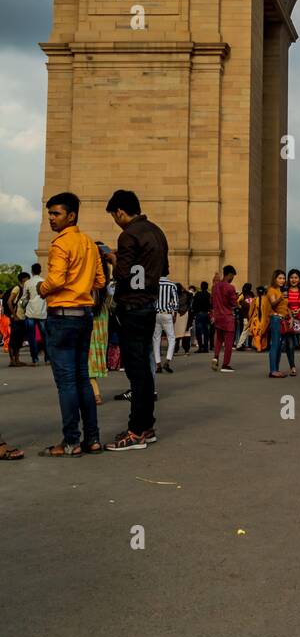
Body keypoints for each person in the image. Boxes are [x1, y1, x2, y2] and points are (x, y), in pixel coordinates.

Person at [37, 192, 105, 456]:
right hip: (84, 315)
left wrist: (42, 289)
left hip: (62, 316)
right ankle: (93, 439)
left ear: (71, 215)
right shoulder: (89, 243)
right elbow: (100, 281)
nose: (51, 219)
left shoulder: (60, 244)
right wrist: (82, 284)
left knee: (66, 382)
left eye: (56, 213)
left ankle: (71, 442)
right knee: (82, 380)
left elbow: (55, 280)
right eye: (50, 214)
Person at [103, 190, 168, 451]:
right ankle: (146, 426)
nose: (116, 221)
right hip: (149, 306)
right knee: (145, 369)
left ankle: (136, 431)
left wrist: (112, 257)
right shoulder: (157, 232)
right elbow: (163, 270)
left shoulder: (128, 234)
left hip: (131, 308)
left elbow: (122, 273)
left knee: (136, 372)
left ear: (120, 211)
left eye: (114, 216)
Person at [211, 266, 238, 372]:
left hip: (218, 316)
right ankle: (225, 365)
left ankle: (215, 357)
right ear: (230, 274)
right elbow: (233, 303)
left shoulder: (215, 287)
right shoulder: (230, 287)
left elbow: (212, 301)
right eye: (233, 276)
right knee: (228, 343)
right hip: (227, 317)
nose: (233, 278)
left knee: (218, 339)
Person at [88, 282, 111, 406]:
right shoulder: (103, 301)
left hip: (87, 335)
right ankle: (95, 394)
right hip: (99, 337)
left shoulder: (87, 293)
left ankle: (95, 395)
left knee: (86, 366)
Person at [24, 262, 49, 365]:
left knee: (32, 337)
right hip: (42, 312)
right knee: (45, 337)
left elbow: (24, 298)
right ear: (40, 271)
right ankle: (48, 359)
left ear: (32, 271)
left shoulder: (27, 283)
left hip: (30, 312)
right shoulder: (44, 282)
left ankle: (35, 360)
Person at [153, 275, 178, 374]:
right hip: (167, 314)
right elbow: (176, 303)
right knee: (171, 338)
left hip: (156, 314)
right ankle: (167, 361)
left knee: (156, 339)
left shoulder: (155, 285)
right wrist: (174, 315)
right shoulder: (172, 285)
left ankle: (158, 364)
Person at [267, 269, 289, 378]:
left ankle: (276, 369)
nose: (282, 280)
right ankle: (273, 370)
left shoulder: (282, 291)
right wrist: (280, 297)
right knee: (275, 344)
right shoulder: (272, 290)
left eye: (284, 278)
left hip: (282, 319)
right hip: (275, 319)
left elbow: (285, 306)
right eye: (280, 278)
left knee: (280, 346)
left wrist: (290, 316)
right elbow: (273, 303)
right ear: (275, 279)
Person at [7, 272, 30, 367]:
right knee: (13, 340)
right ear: (23, 279)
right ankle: (12, 361)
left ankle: (17, 359)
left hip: (22, 318)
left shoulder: (25, 290)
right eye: (27, 279)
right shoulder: (17, 288)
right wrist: (14, 315)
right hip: (16, 318)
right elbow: (9, 302)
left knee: (19, 340)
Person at [193, 281, 212, 352]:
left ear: (201, 287)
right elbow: (210, 304)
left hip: (199, 314)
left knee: (199, 331)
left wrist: (195, 312)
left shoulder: (197, 294)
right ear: (207, 287)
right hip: (206, 314)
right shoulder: (209, 295)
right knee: (206, 331)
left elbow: (194, 304)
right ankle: (206, 348)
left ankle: (200, 347)